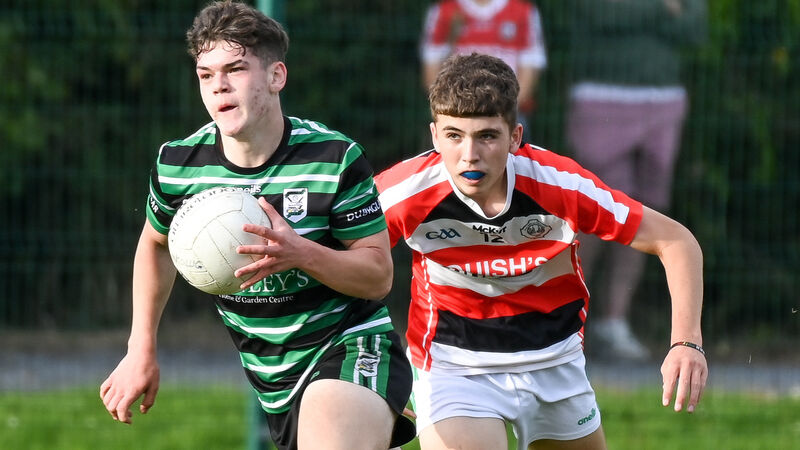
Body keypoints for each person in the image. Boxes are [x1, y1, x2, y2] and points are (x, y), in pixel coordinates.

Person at [99, 2, 414, 449]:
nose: (219, 86)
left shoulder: (331, 158)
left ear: (276, 76)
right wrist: (140, 348)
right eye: (206, 75)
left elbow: (379, 277)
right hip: (272, 377)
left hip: (349, 345)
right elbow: (156, 244)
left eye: (236, 69)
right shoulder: (178, 166)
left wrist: (300, 252)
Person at [374, 53, 707, 449]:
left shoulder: (560, 185)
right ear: (434, 135)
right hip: (454, 367)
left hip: (554, 362)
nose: (469, 155)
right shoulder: (403, 193)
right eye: (454, 135)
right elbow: (348, 266)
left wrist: (686, 342)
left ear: (515, 136)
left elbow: (675, 241)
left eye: (487, 136)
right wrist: (378, 378)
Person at [565, 0, 708, 360]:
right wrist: (664, 8)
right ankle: (567, 316)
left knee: (646, 214)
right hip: (602, 99)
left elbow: (695, 29)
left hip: (664, 100)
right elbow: (600, 15)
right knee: (593, 211)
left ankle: (614, 321)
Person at [420, 0, 547, 141]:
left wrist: (499, 113)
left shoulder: (523, 12)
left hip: (507, 114)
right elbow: (432, 76)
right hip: (456, 114)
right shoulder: (444, 11)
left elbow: (528, 74)